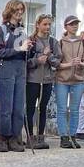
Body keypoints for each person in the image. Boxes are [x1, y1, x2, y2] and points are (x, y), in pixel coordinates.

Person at [0, 0, 29, 151]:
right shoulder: (1, 30)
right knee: (6, 107)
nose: (20, 12)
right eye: (17, 9)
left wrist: (28, 49)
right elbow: (0, 52)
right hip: (6, 69)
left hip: (20, 69)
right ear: (10, 11)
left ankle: (15, 137)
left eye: (22, 9)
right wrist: (19, 49)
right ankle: (3, 137)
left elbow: (24, 53)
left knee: (19, 107)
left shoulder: (21, 31)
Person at [54, 15, 84, 148]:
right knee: (62, 109)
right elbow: (57, 64)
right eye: (71, 24)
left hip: (78, 79)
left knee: (75, 109)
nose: (74, 26)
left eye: (76, 24)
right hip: (62, 80)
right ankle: (64, 137)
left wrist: (80, 63)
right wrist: (70, 64)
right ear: (66, 27)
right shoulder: (60, 42)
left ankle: (73, 136)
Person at [25, 13, 56, 149]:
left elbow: (58, 61)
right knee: (30, 108)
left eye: (49, 24)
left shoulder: (53, 42)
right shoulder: (31, 40)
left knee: (43, 108)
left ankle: (41, 136)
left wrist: (49, 56)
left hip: (47, 79)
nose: (47, 27)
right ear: (38, 24)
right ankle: (30, 136)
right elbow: (24, 60)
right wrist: (37, 60)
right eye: (44, 24)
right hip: (32, 80)